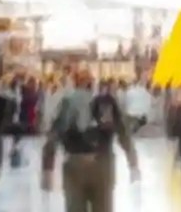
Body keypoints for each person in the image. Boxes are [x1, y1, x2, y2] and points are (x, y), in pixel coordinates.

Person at [41, 68, 140, 212]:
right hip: (103, 163)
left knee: (75, 208)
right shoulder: (107, 103)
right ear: (93, 84)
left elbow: (53, 136)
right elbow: (123, 133)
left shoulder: (67, 102)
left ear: (75, 83)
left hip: (75, 163)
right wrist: (133, 163)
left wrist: (47, 170)